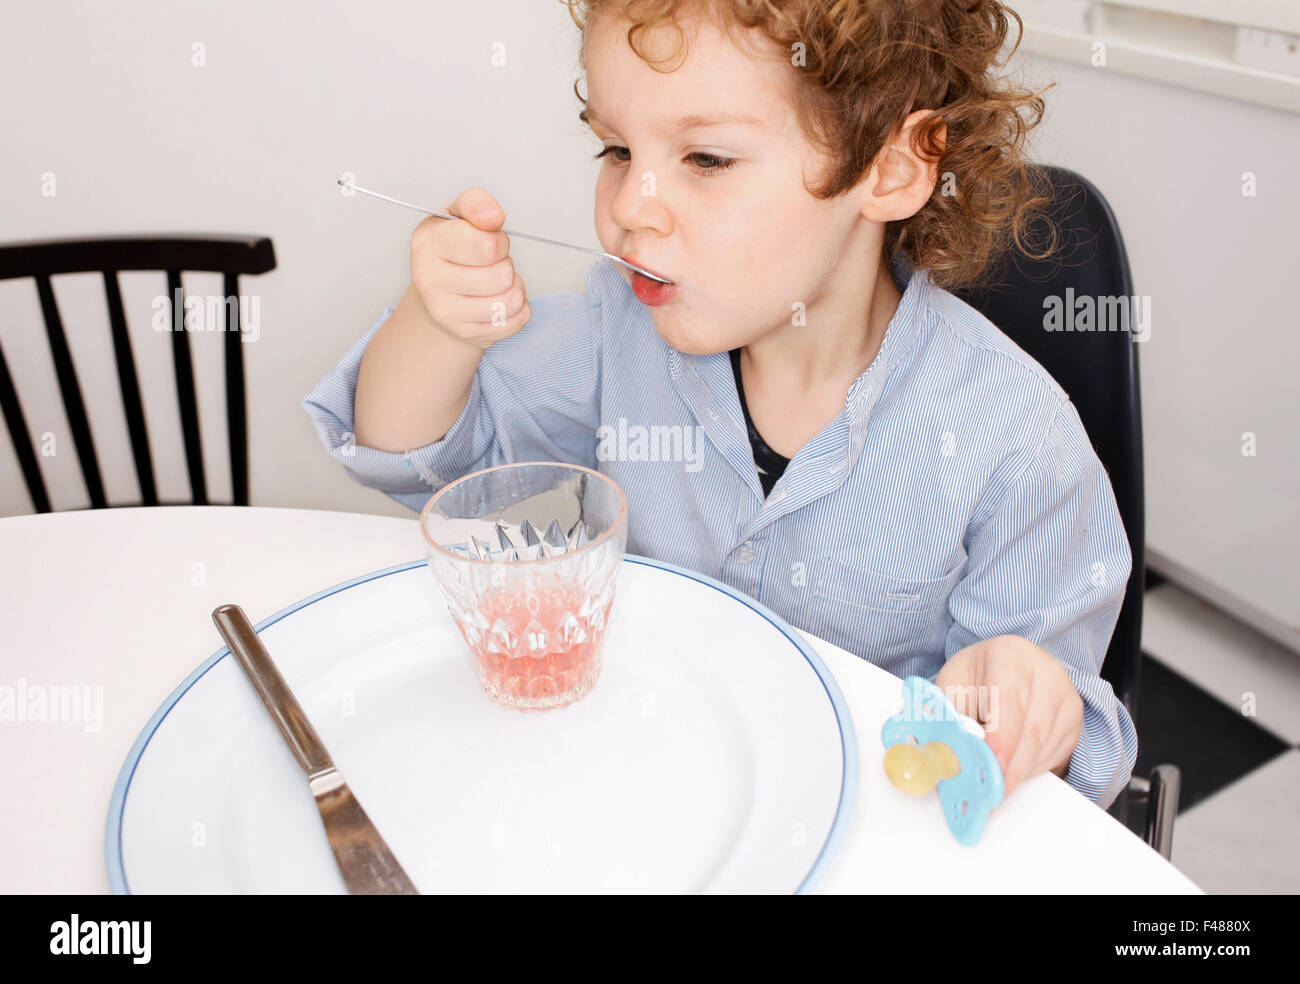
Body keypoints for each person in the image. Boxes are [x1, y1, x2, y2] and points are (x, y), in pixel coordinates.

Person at [302, 0, 1138, 810]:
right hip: (653, 793)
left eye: (706, 160)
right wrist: (439, 324)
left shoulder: (1016, 439)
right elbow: (414, 455)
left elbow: (1062, 758)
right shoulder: (615, 327)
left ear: (890, 167)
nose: (630, 206)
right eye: (617, 151)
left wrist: (1031, 703)